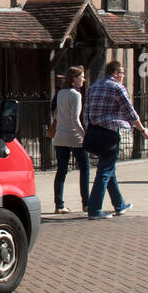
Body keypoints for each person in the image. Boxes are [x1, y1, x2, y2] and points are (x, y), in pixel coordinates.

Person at [82, 59, 148, 219]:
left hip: (94, 131)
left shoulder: (94, 86)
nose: (123, 76)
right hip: (109, 133)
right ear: (115, 73)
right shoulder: (117, 87)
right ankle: (94, 209)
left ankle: (119, 204)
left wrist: (87, 129)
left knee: (108, 168)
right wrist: (142, 129)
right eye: (122, 73)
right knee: (104, 171)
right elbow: (130, 112)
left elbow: (86, 111)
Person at [50, 66, 89, 213]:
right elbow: (75, 120)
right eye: (81, 76)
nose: (83, 79)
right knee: (84, 170)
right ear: (74, 78)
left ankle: (59, 205)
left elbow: (56, 114)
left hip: (60, 136)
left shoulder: (60, 93)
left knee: (61, 171)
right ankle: (86, 203)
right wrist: (85, 136)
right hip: (75, 137)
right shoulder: (76, 95)